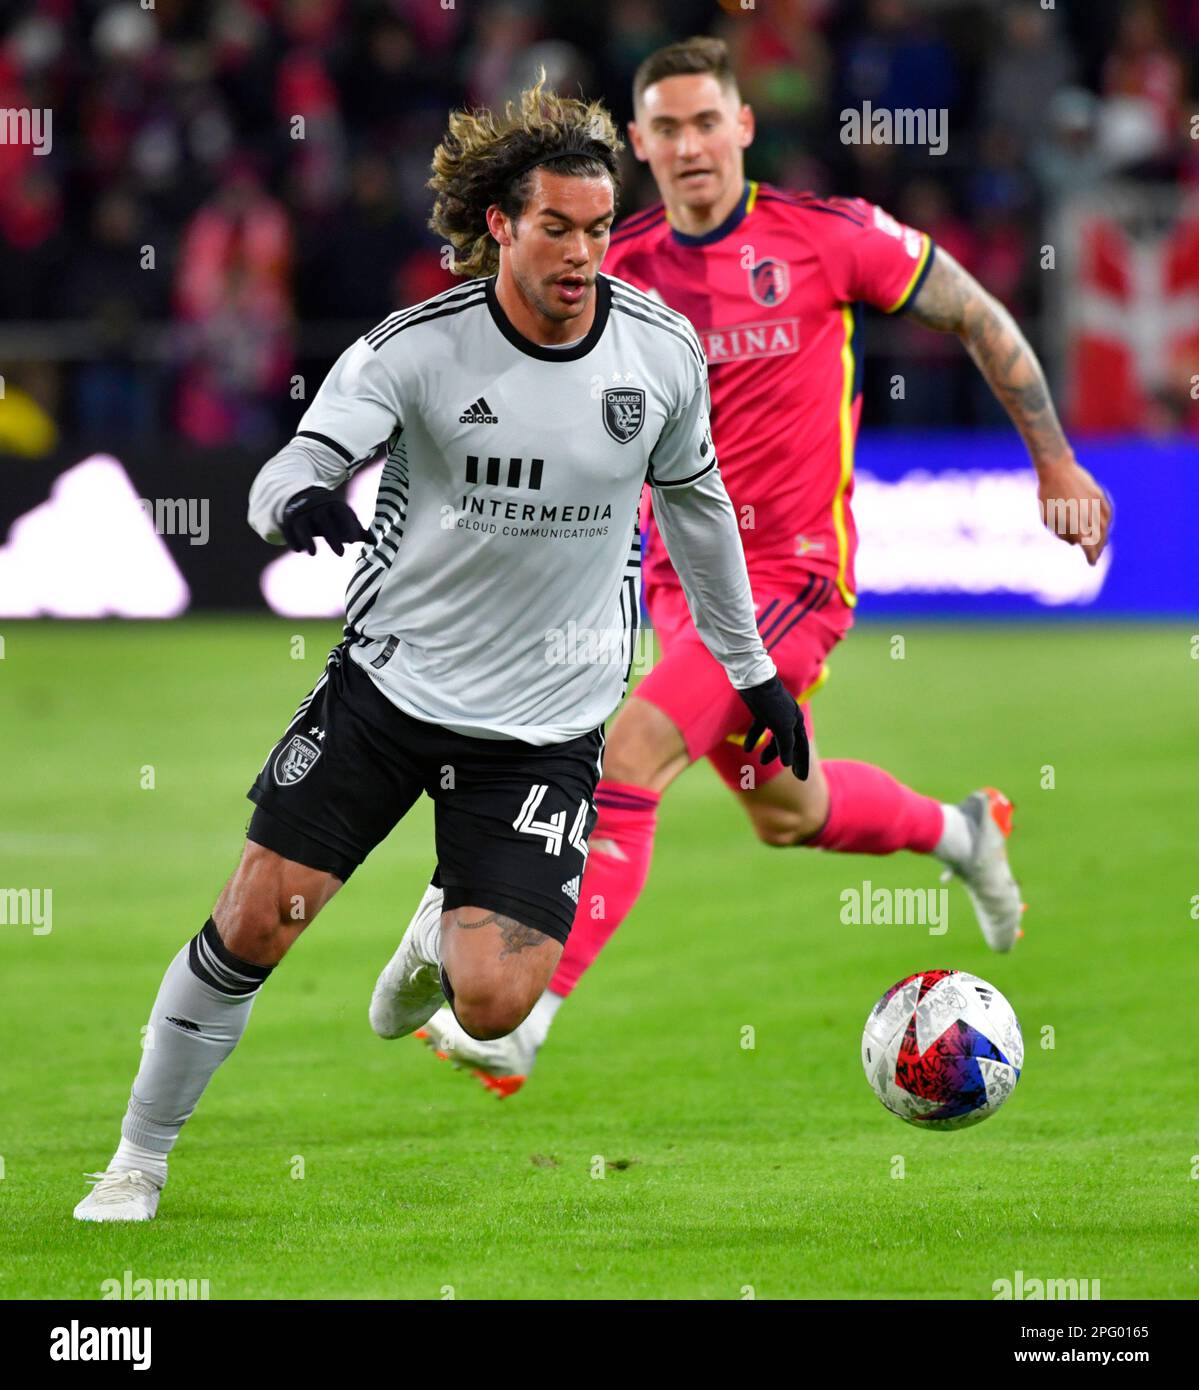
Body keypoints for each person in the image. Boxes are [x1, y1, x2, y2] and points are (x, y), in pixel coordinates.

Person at [73, 76, 804, 1221]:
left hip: (547, 720)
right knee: (255, 919)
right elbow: (291, 464)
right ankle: (137, 1160)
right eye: (555, 226)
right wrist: (302, 495)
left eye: (600, 228)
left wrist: (749, 665)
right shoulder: (421, 348)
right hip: (393, 685)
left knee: (499, 1004)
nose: (580, 253)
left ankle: (438, 924)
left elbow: (702, 517)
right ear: (502, 225)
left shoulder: (658, 354)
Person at [402, 36, 1112, 1098]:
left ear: (740, 125)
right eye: (667, 129)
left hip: (791, 577)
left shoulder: (827, 239)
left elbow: (973, 310)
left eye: (706, 122)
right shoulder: (618, 264)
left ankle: (525, 1021)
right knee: (791, 811)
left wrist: (1052, 459)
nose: (689, 145)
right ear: (637, 143)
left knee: (630, 753)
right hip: (675, 591)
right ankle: (961, 829)